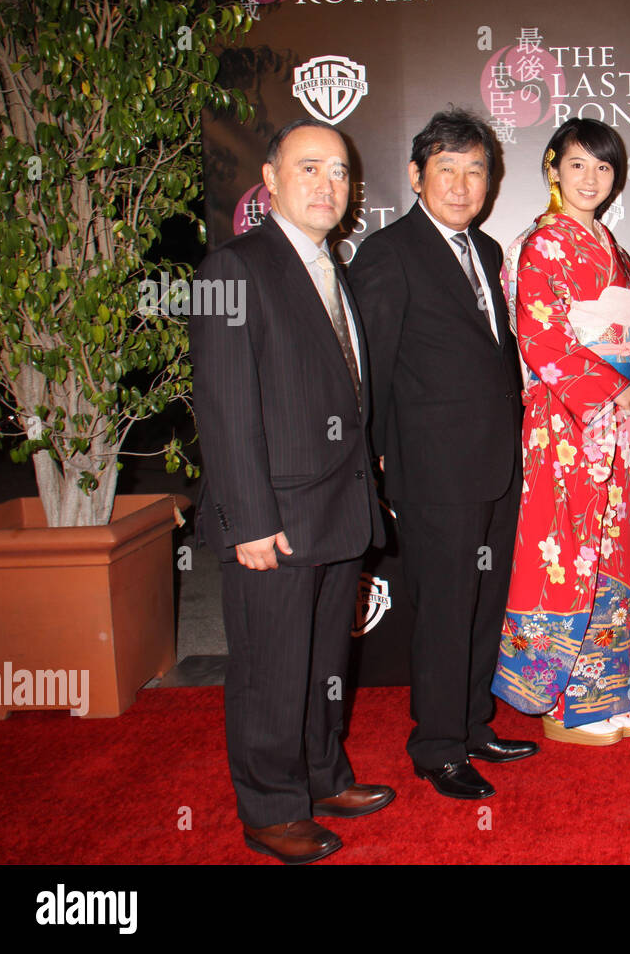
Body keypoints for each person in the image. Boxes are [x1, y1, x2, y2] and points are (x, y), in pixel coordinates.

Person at [191, 119, 394, 864]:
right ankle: (271, 807)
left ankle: (321, 774)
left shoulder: (332, 267)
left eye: (339, 172)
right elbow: (222, 404)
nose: (326, 184)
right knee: (270, 668)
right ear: (270, 179)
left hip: (339, 509)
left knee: (323, 666)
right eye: (308, 168)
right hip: (271, 516)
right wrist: (246, 518)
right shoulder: (228, 270)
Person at [349, 109, 537, 800]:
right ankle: (436, 746)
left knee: (485, 602)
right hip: (432, 471)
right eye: (446, 171)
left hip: (495, 462)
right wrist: (376, 467)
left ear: (490, 180)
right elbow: (370, 369)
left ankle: (471, 722)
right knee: (445, 607)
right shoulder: (388, 253)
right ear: (416, 175)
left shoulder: (486, 251)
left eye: (475, 171)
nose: (462, 186)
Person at [490, 118, 630, 746]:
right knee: (569, 553)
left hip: (619, 421)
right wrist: (614, 389)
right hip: (568, 425)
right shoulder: (540, 245)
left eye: (603, 167)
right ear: (553, 168)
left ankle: (606, 692)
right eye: (577, 165)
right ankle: (562, 703)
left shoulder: (614, 248)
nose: (591, 179)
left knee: (616, 550)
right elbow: (543, 339)